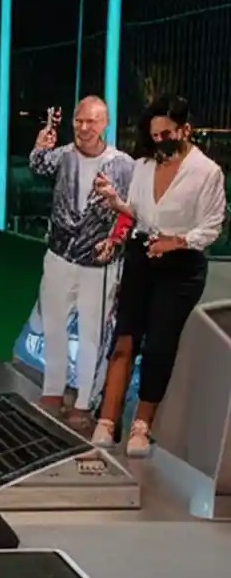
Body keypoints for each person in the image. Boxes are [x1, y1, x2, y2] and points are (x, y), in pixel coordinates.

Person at [90, 94, 225, 457]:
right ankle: (106, 421)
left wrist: (176, 241)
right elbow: (135, 212)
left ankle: (141, 426)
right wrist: (117, 205)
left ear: (185, 129)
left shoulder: (207, 172)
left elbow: (211, 228)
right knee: (124, 341)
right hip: (140, 259)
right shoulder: (143, 165)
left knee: (159, 346)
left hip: (181, 269)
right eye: (154, 135)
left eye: (166, 133)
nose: (160, 140)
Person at [27, 96, 135, 432]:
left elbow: (133, 212)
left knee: (92, 334)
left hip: (98, 266)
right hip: (59, 256)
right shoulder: (62, 156)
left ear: (105, 124)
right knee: (54, 325)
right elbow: (37, 166)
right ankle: (52, 392)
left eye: (91, 122)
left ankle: (85, 402)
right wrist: (39, 145)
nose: (84, 128)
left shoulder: (123, 165)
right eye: (79, 121)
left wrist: (115, 241)